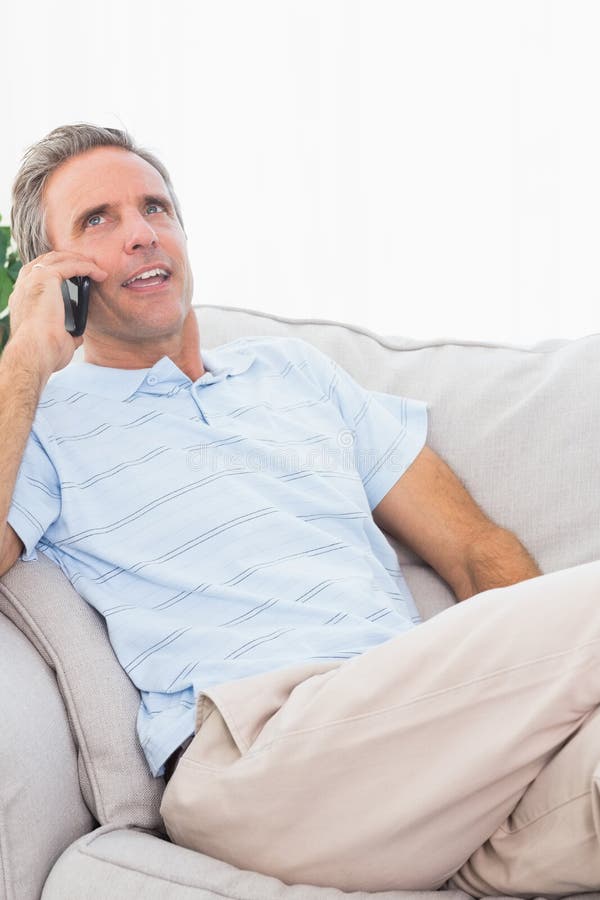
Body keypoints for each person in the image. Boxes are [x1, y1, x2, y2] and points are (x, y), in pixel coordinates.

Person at [1, 123, 598, 897]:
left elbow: (476, 550)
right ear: (52, 275)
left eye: (155, 207)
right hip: (261, 761)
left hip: (426, 766)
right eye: (98, 221)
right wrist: (24, 358)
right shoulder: (46, 418)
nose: (142, 235)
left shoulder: (291, 372)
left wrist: (523, 712)